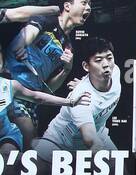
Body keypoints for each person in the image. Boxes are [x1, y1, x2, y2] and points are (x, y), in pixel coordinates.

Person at [6, 0, 91, 147]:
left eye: (90, 5)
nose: (89, 8)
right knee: (28, 138)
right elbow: (26, 36)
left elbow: (46, 90)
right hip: (12, 88)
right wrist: (23, 43)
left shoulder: (68, 46)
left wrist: (67, 69)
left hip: (31, 99)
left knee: (23, 145)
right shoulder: (45, 21)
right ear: (67, 6)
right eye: (84, 2)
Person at [35, 38, 120, 168]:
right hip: (59, 141)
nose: (106, 64)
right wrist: (83, 87)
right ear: (86, 66)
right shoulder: (82, 100)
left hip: (99, 132)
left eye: (109, 58)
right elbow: (91, 139)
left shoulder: (115, 72)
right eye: (98, 60)